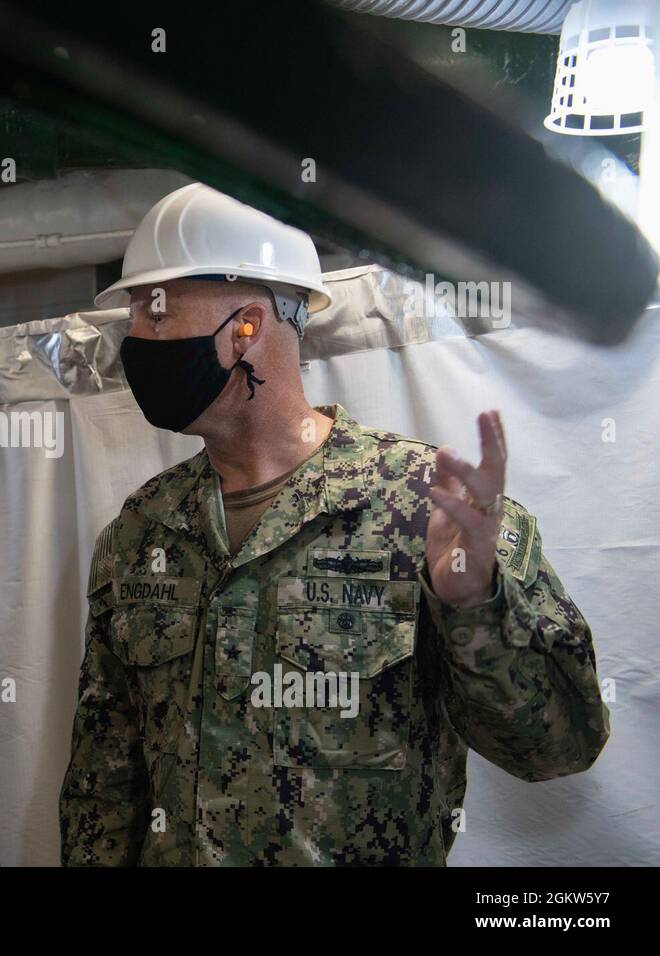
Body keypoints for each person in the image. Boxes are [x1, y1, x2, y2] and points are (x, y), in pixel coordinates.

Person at [58, 183, 610, 866]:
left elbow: (559, 747)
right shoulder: (143, 531)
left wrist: (475, 604)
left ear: (246, 327)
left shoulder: (426, 508)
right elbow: (103, 783)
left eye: (155, 313)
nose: (135, 343)